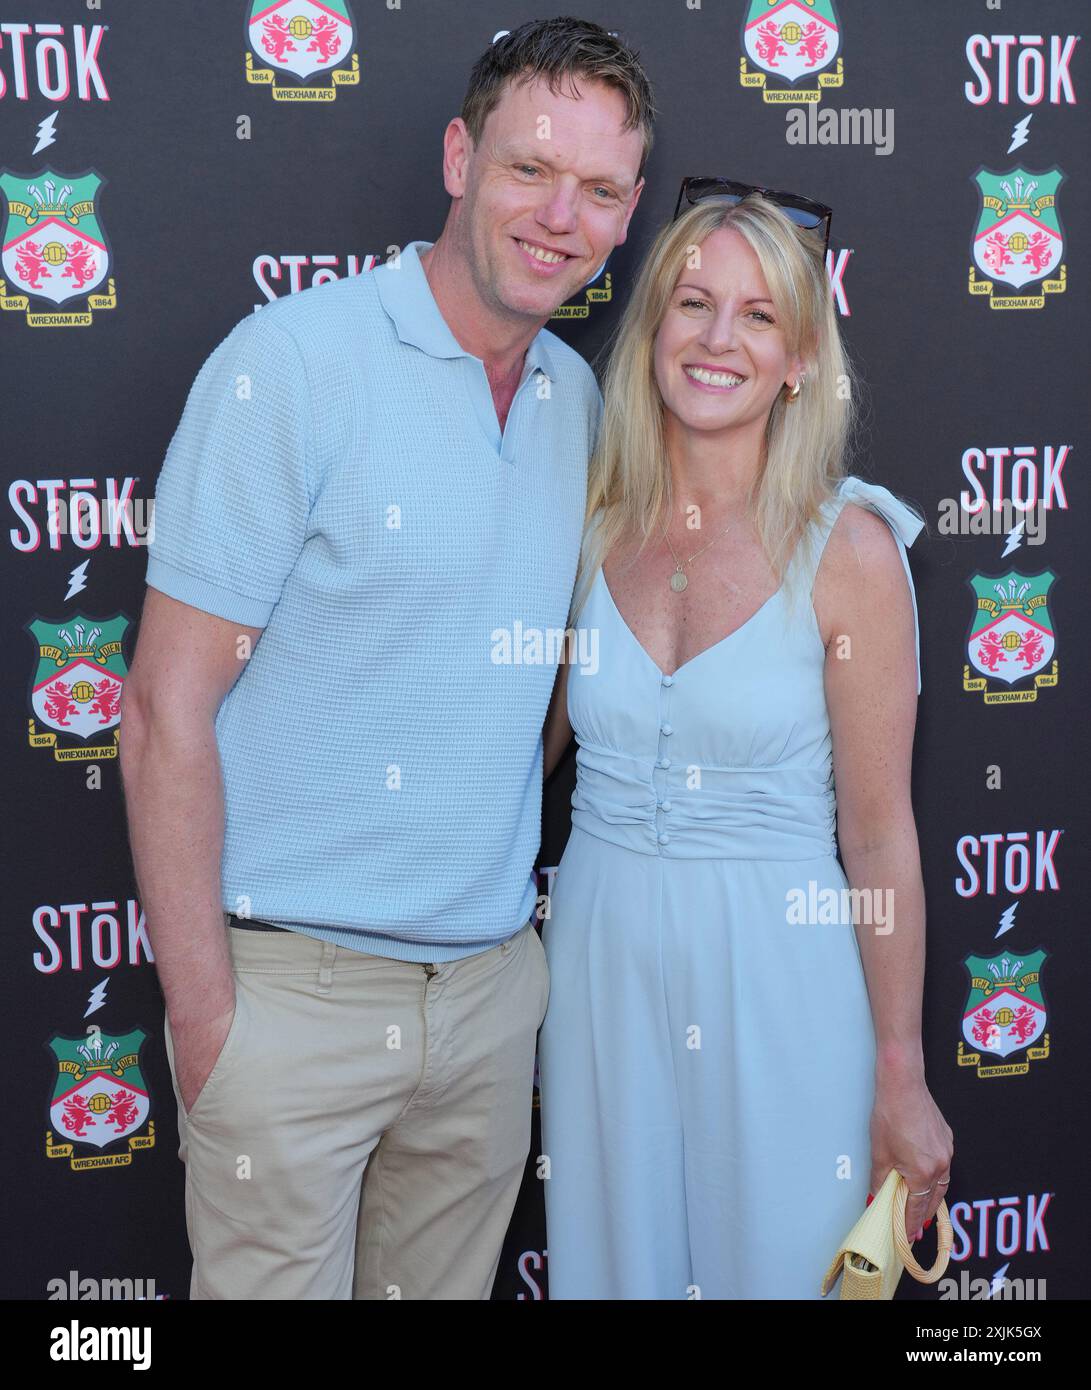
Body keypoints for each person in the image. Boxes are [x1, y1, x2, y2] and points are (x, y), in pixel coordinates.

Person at [118, 18, 652, 1300]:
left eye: (597, 189)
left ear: (629, 214)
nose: (558, 216)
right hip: (288, 994)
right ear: (461, 157)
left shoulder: (574, 403)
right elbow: (160, 711)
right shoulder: (291, 368)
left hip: (484, 1005)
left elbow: (542, 691)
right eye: (531, 168)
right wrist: (209, 1021)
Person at [538, 181, 954, 1299]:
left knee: (777, 1269)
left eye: (758, 315)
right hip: (598, 967)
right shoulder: (590, 526)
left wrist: (900, 1073)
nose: (717, 338)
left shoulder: (849, 550)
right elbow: (514, 758)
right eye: (690, 303)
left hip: (780, 971)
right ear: (653, 329)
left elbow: (876, 838)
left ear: (799, 358)